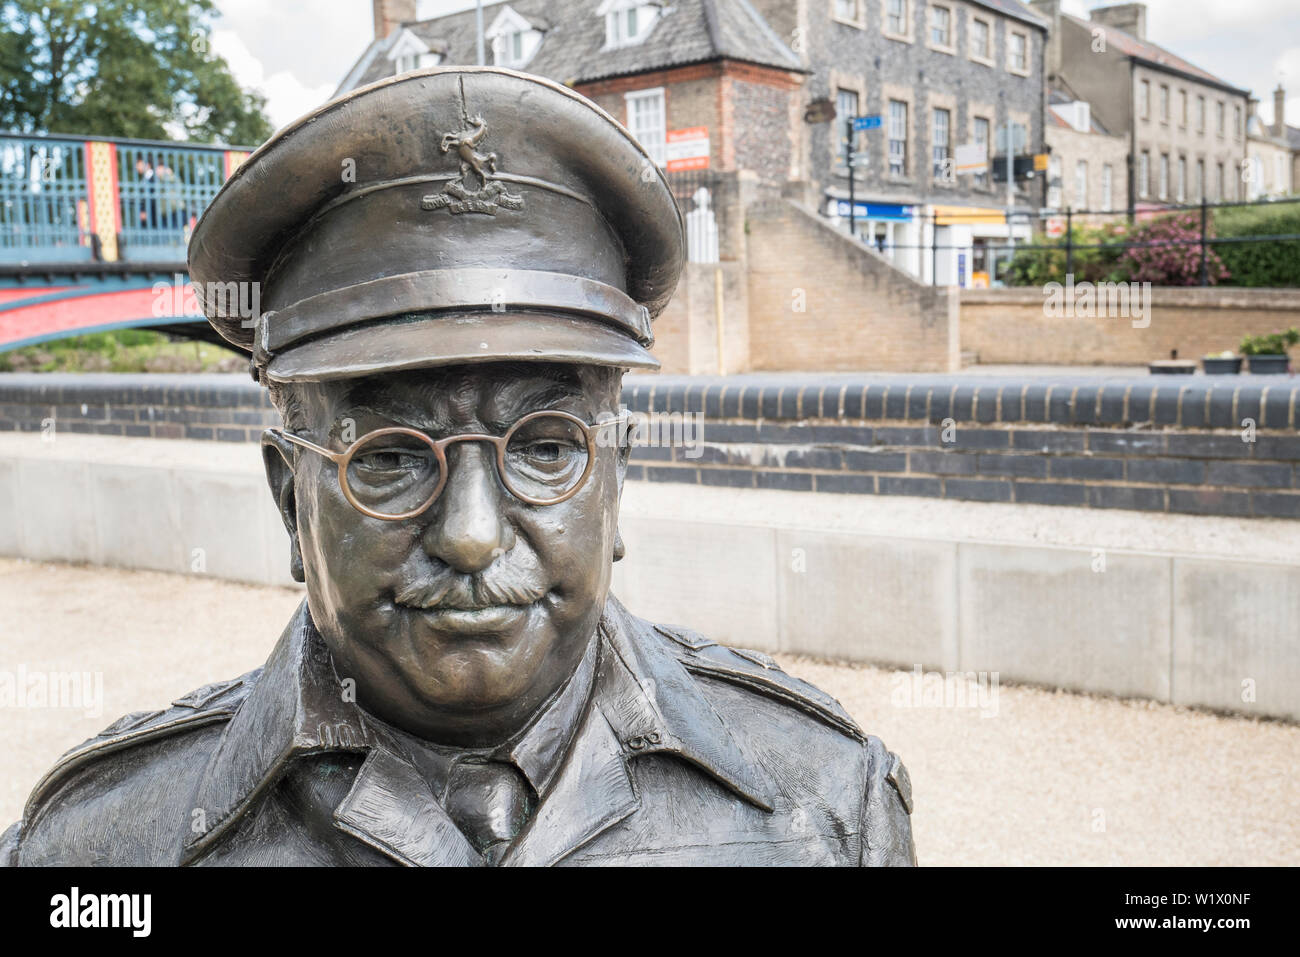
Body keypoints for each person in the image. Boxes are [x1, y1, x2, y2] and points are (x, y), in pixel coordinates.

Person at [2, 68, 915, 866]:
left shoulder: (828, 808)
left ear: (618, 479)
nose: (472, 535)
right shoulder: (104, 848)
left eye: (546, 448)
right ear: (291, 502)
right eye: (390, 458)